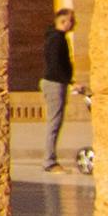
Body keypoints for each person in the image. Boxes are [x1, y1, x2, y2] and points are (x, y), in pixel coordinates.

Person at [34, 13, 82, 174]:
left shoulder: (57, 37)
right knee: (54, 123)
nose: (74, 23)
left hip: (56, 82)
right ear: (63, 21)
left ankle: (50, 159)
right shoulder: (56, 39)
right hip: (54, 83)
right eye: (72, 20)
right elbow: (55, 65)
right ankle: (49, 161)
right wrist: (72, 82)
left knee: (55, 122)